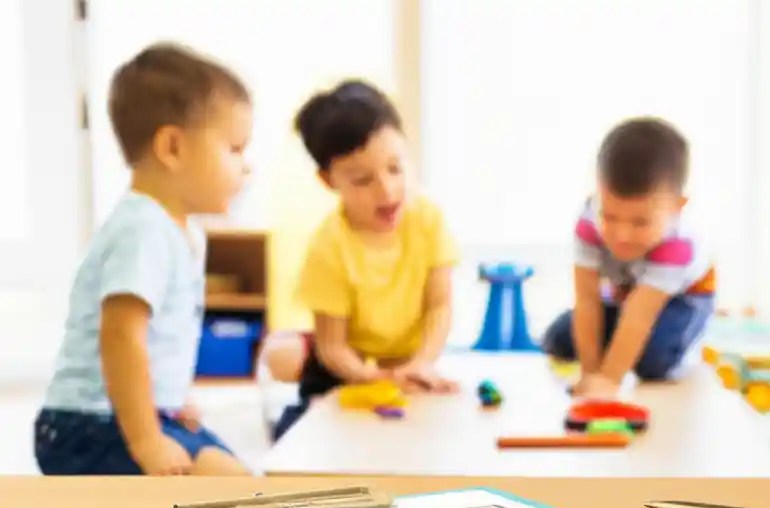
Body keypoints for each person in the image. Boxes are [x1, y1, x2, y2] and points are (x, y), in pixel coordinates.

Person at [33, 43, 252, 476]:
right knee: (223, 485)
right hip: (89, 425)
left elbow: (159, 342)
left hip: (134, 415)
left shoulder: (181, 231)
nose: (246, 167)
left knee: (236, 479)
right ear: (172, 147)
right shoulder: (142, 229)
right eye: (234, 149)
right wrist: (147, 440)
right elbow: (121, 337)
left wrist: (170, 397)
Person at [274, 80, 460, 440]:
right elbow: (333, 347)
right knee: (306, 435)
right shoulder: (329, 245)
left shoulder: (428, 220)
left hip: (410, 364)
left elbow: (440, 305)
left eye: (395, 168)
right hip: (346, 370)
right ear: (328, 180)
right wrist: (377, 378)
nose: (386, 190)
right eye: (362, 180)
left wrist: (421, 363)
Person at [542, 117, 716, 398]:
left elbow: (639, 315)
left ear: (677, 206)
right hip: (625, 294)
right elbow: (587, 301)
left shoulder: (677, 244)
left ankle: (689, 343)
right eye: (610, 216)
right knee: (559, 339)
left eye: (640, 222)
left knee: (653, 363)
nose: (621, 236)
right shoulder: (588, 223)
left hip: (682, 300)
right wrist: (590, 373)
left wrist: (608, 381)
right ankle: (619, 345)